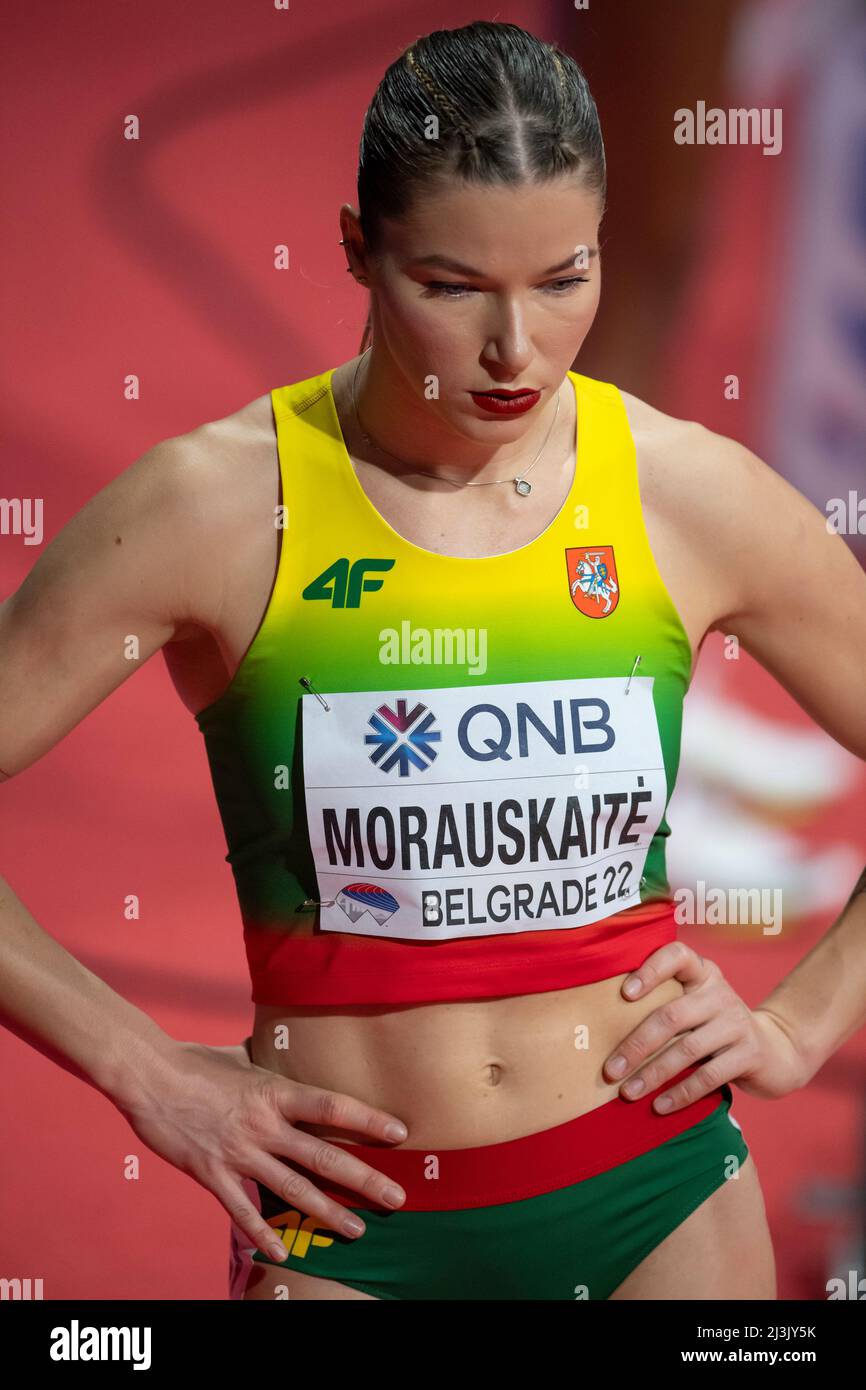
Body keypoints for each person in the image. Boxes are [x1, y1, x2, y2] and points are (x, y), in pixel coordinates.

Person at [2, 20, 865, 1302]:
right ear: (357, 249)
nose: (516, 348)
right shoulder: (214, 508)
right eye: (454, 287)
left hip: (661, 1203)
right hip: (352, 1236)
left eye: (562, 278)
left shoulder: (689, 495)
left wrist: (796, 1024)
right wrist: (145, 1070)